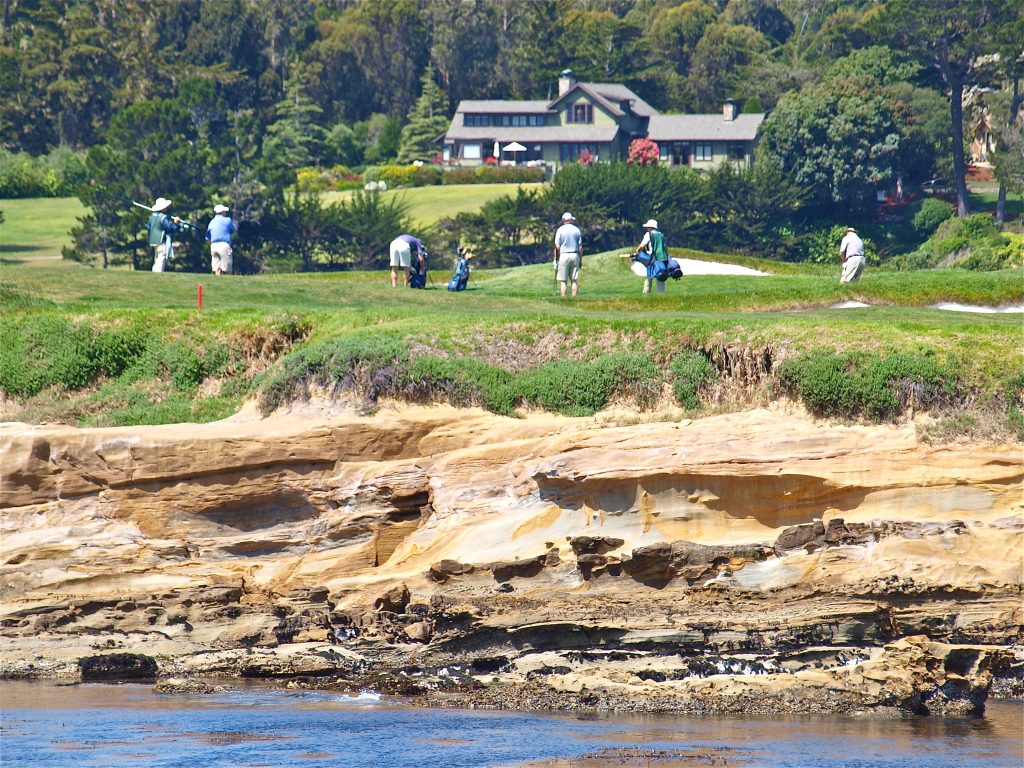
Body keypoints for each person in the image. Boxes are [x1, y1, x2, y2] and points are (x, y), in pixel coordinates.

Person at [634, 219, 669, 294]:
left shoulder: (648, 234)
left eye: (648, 227)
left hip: (652, 258)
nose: (647, 228)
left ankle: (646, 293)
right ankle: (661, 295)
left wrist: (637, 250)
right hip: (662, 258)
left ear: (651, 227)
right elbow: (665, 248)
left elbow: (642, 245)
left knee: (649, 277)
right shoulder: (661, 235)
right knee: (660, 275)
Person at [146, 197, 181, 273]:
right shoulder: (163, 217)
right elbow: (168, 230)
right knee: (161, 257)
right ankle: (158, 274)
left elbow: (148, 228)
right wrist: (175, 224)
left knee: (157, 258)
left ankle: (154, 272)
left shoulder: (151, 217)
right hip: (161, 240)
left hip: (153, 241)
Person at [553, 212, 582, 297]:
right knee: (574, 279)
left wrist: (555, 260)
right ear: (570, 220)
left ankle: (564, 298)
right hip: (575, 254)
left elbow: (557, 246)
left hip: (564, 255)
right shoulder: (576, 230)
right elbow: (580, 247)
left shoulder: (560, 230)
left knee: (563, 280)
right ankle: (574, 298)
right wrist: (580, 259)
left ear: (563, 220)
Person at [205, 204, 237, 275]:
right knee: (228, 269)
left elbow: (208, 237)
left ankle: (218, 280)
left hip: (213, 246)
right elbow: (233, 229)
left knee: (217, 268)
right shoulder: (227, 220)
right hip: (224, 245)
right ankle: (229, 281)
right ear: (222, 212)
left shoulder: (212, 222)